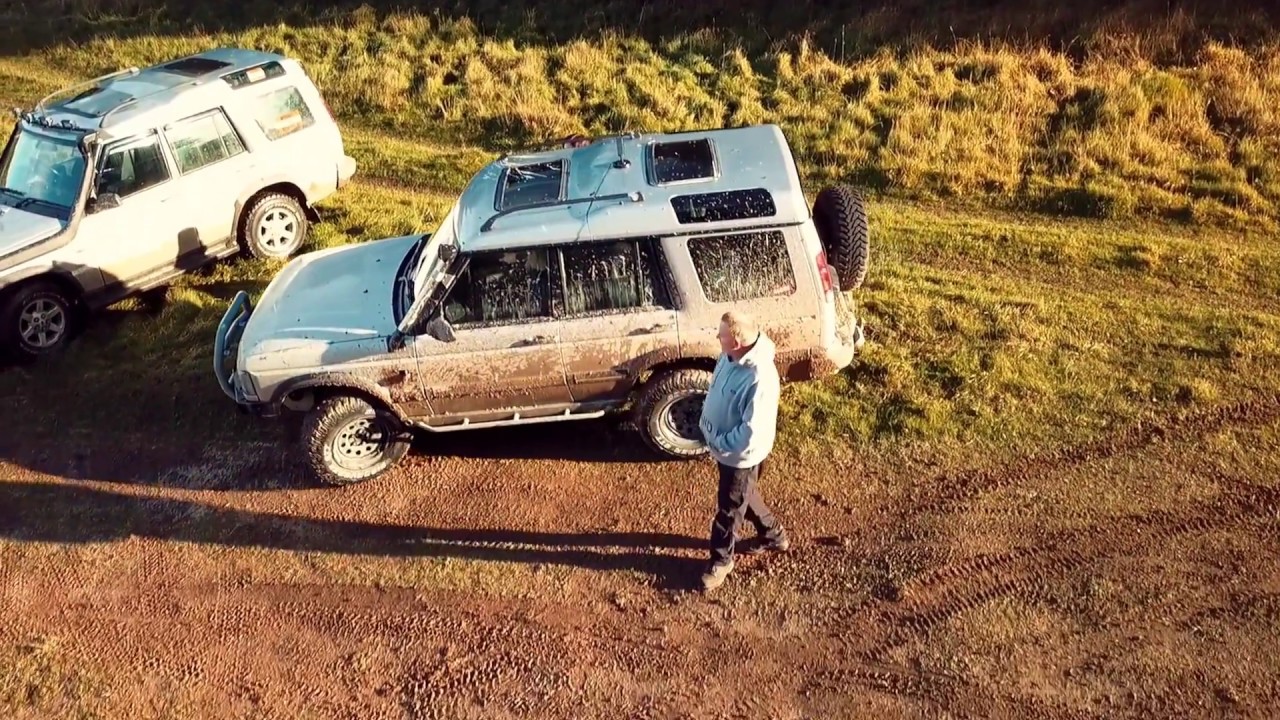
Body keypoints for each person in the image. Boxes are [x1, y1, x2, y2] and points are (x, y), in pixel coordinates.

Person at [697, 310, 789, 591]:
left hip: (739, 456)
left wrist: (720, 444)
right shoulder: (728, 357)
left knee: (729, 509)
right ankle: (773, 535)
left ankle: (722, 560)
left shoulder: (760, 378)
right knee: (742, 496)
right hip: (725, 450)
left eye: (722, 334)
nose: (717, 337)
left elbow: (751, 433)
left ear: (736, 341)